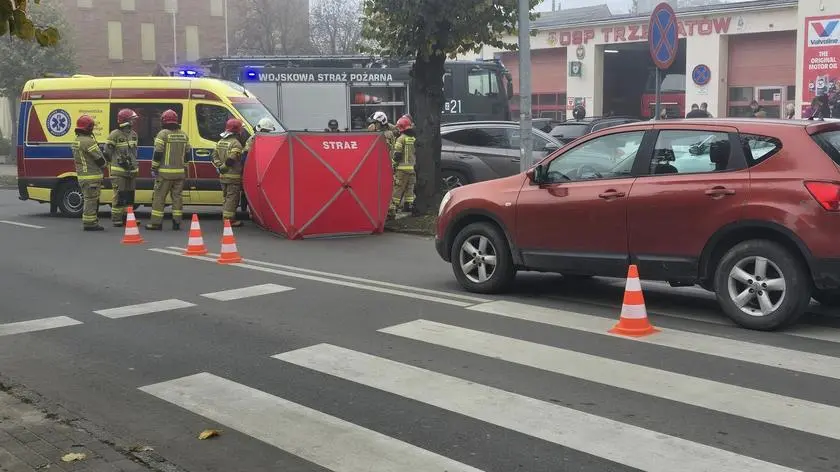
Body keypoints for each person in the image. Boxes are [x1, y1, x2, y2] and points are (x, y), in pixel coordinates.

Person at [146, 109, 190, 231]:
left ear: (163, 121)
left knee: (159, 198)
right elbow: (187, 154)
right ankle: (176, 223)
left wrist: (154, 167)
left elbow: (158, 152)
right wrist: (185, 167)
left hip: (164, 174)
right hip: (180, 174)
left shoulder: (163, 134)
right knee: (177, 198)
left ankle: (156, 223)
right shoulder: (184, 134)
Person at [72, 115, 107, 231]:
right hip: (92, 176)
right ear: (89, 128)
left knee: (88, 199)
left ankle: (90, 221)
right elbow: (100, 160)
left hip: (83, 176)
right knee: (91, 200)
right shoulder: (89, 142)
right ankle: (90, 223)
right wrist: (105, 164)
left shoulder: (77, 141)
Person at [104, 108, 139, 227]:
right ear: (125, 120)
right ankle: (117, 219)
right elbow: (107, 153)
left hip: (131, 171)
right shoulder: (114, 134)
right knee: (119, 196)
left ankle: (128, 218)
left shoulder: (134, 135)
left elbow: (134, 153)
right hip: (119, 171)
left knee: (129, 197)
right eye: (132, 120)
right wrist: (115, 163)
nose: (134, 122)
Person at [212, 118, 246, 227]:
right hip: (233, 177)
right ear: (237, 130)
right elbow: (231, 160)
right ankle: (229, 220)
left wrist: (219, 166)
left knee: (226, 198)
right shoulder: (236, 144)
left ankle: (227, 217)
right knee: (232, 199)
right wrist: (223, 167)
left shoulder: (221, 141)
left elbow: (214, 156)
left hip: (223, 177)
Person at [389, 115, 417, 218]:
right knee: (410, 189)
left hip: (401, 169)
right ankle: (408, 205)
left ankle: (393, 208)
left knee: (398, 189)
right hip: (412, 169)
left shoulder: (401, 139)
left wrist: (392, 165)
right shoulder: (414, 138)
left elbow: (397, 155)